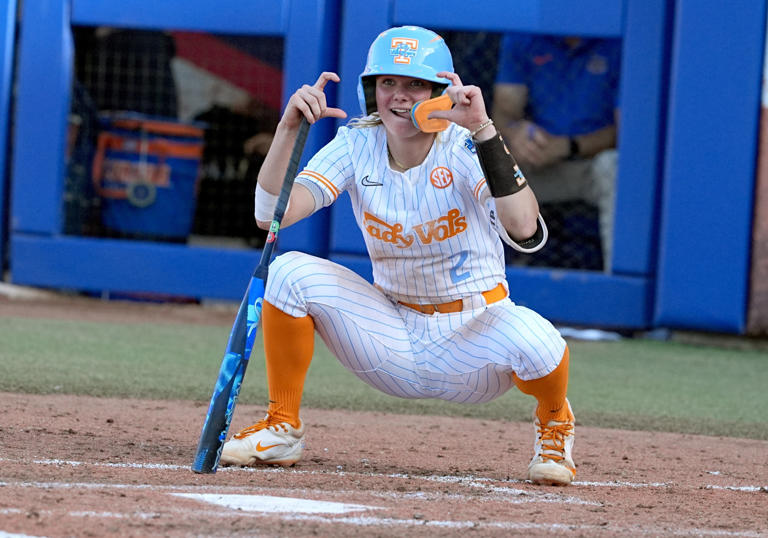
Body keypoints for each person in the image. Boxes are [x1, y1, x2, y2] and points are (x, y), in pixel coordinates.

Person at [220, 26, 576, 486]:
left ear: (439, 92)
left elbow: (524, 227)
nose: (400, 96)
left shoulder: (466, 145)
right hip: (391, 336)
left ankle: (554, 426)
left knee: (541, 340)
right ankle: (282, 426)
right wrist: (288, 129)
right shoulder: (356, 142)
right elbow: (272, 214)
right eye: (388, 83)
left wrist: (485, 130)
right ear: (371, 90)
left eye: (414, 85)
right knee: (288, 271)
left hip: (474, 338)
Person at [492, 33, 621, 272]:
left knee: (615, 167)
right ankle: (479, 281)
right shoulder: (523, 35)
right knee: (483, 167)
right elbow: (502, 113)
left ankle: (617, 281)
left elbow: (627, 133)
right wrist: (516, 132)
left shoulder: (616, 39)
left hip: (590, 166)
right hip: (536, 163)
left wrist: (569, 145)